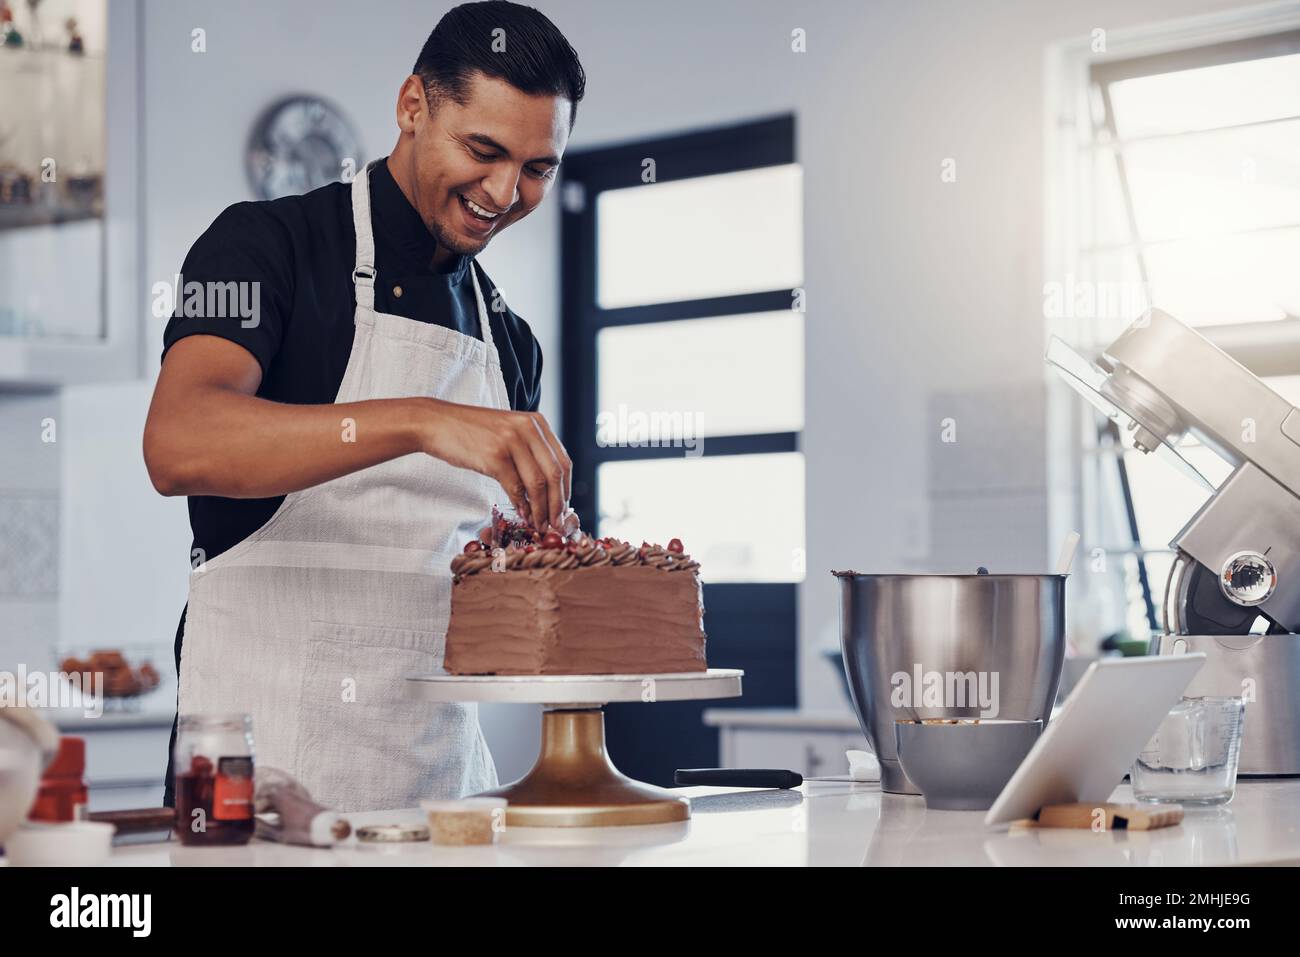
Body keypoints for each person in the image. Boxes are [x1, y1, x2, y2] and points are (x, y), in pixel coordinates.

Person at [144, 1, 584, 811]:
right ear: (412, 105)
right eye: (483, 150)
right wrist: (421, 419)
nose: (503, 192)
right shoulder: (257, 246)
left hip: (443, 797)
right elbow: (179, 442)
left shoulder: (511, 343)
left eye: (536, 168)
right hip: (260, 792)